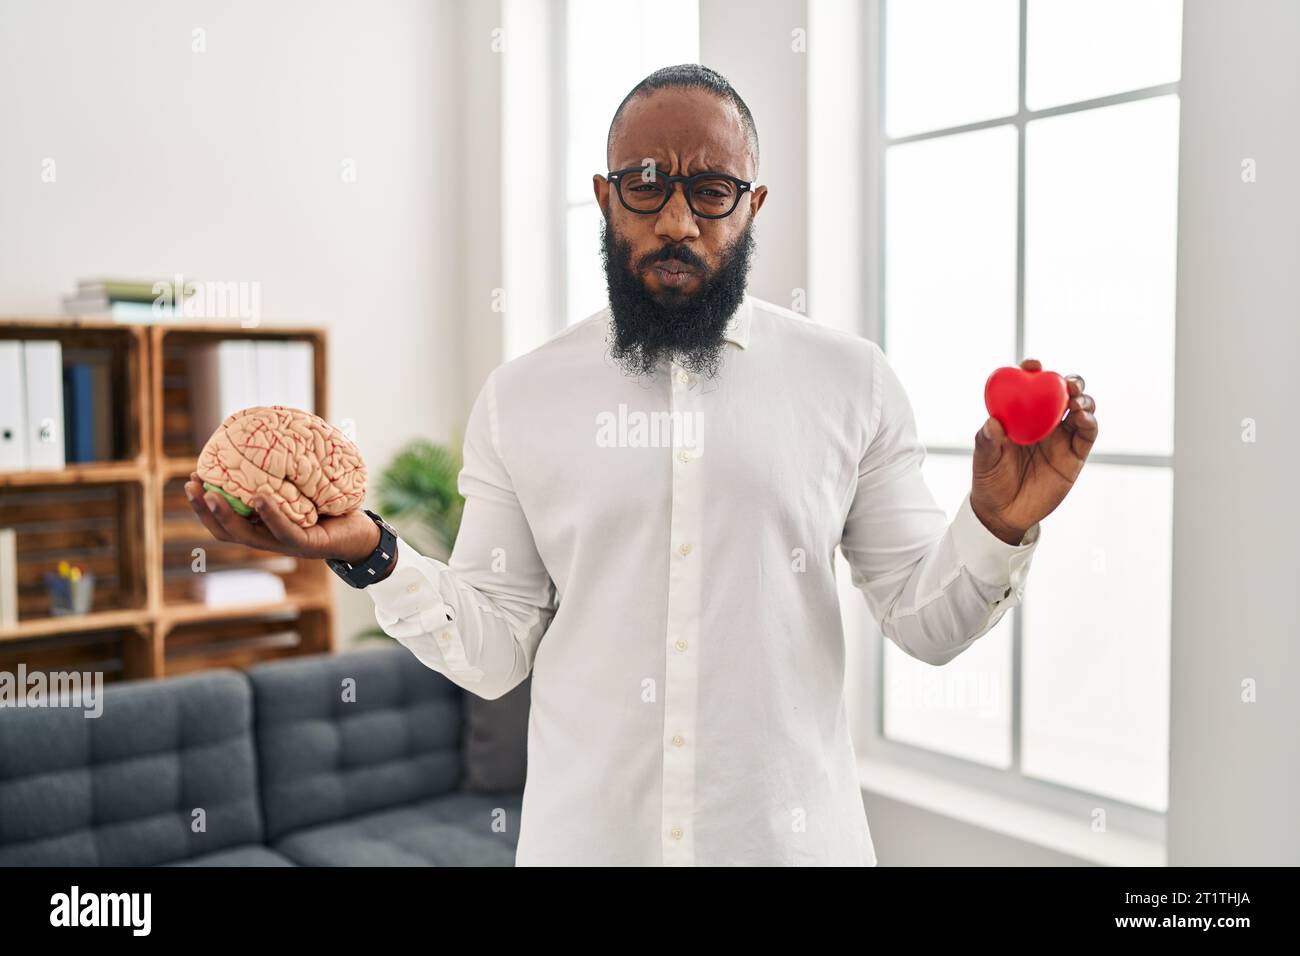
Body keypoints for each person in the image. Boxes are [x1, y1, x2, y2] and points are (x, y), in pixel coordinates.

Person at [185, 64, 1098, 866]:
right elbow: (496, 647)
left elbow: (926, 625)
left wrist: (997, 525)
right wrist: (370, 550)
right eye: (645, 184)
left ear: (754, 203)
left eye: (711, 190)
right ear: (603, 194)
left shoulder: (850, 381)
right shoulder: (522, 397)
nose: (675, 220)